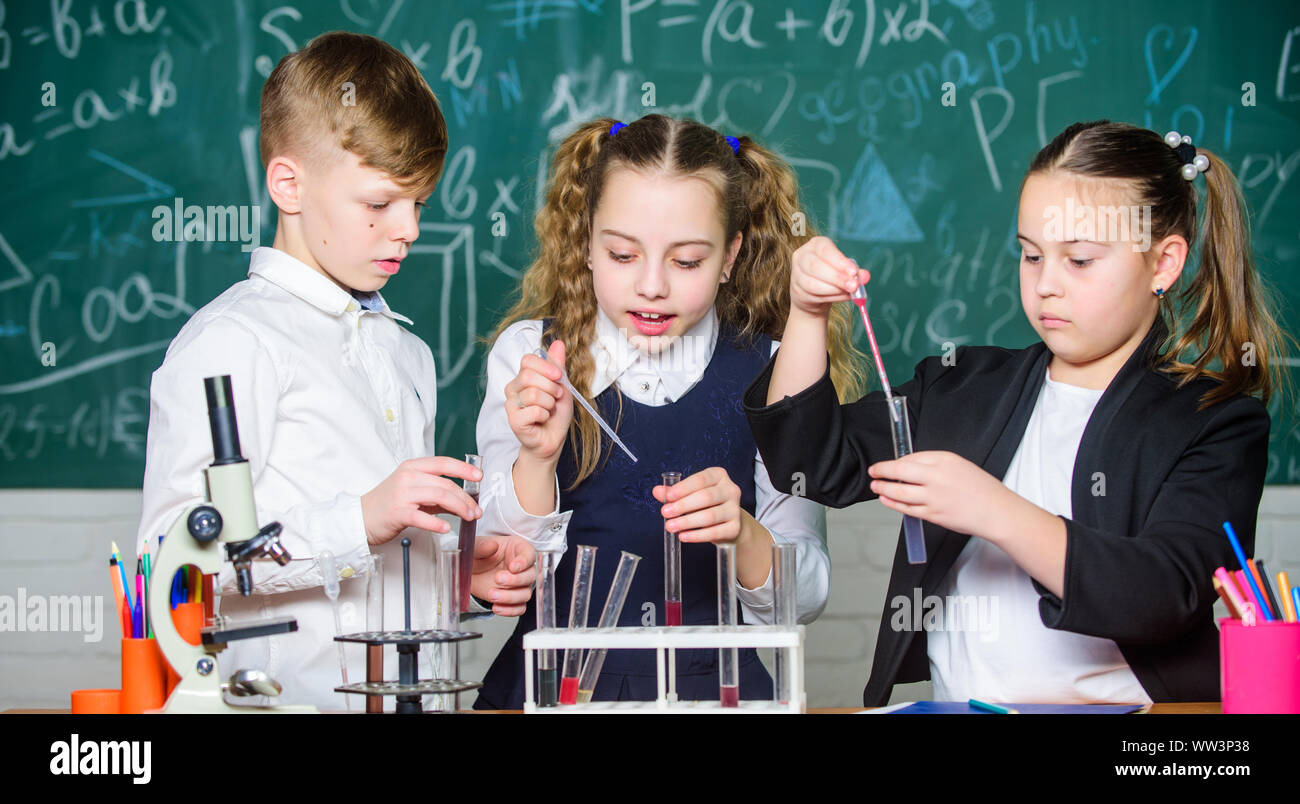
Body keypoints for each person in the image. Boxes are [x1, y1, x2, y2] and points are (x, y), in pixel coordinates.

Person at [744, 120, 1290, 705]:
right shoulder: (963, 388)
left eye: (1079, 260)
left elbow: (1165, 593)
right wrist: (805, 312)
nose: (1046, 285)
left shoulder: (1215, 420)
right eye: (1031, 256)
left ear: (1163, 264)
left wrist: (994, 509)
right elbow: (807, 461)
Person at [136, 31, 535, 709]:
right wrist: (360, 518)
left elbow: (378, 562)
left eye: (420, 204)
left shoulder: (406, 354)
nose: (408, 228)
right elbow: (169, 567)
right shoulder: (231, 344)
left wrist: (453, 578)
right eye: (380, 204)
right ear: (288, 184)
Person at [472, 114, 867, 708]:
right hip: (553, 693)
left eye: (686, 262)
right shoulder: (532, 356)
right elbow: (498, 572)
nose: (652, 286)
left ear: (730, 255)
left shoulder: (777, 368)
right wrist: (537, 457)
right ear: (586, 243)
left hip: (717, 695)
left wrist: (745, 533)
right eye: (623, 255)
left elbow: (805, 597)